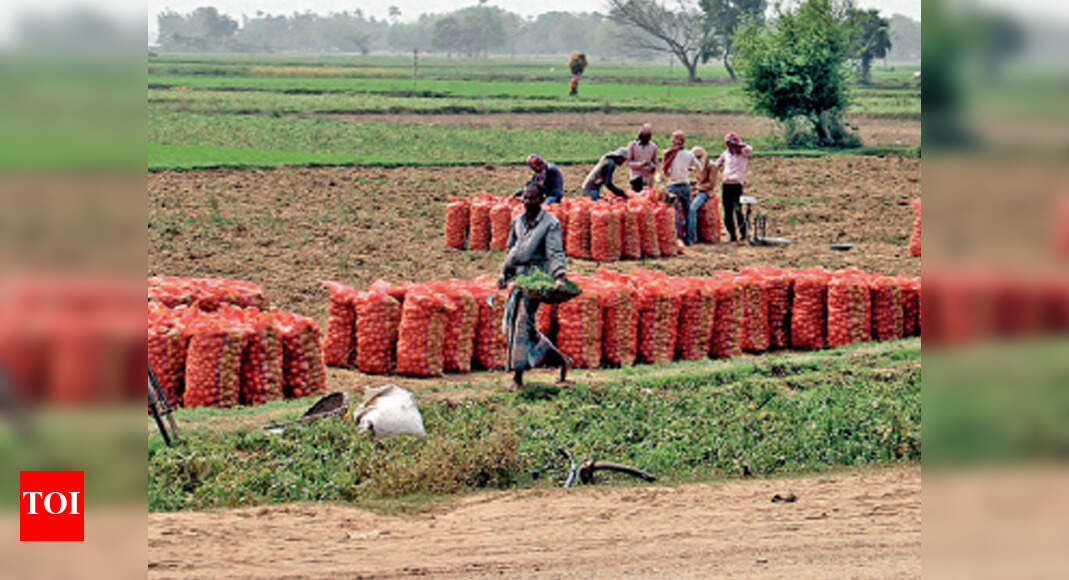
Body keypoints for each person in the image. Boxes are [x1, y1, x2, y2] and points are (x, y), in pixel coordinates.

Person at [497, 182, 571, 390]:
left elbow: (555, 252)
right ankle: (560, 359)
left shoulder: (550, 223)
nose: (528, 202)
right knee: (513, 323)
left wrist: (559, 277)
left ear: (541, 199)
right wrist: (504, 273)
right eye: (525, 198)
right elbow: (511, 249)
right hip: (520, 279)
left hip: (537, 281)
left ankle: (517, 379)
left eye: (532, 198)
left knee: (521, 322)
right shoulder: (518, 221)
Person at [662, 130, 701, 244]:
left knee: (676, 213)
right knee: (689, 212)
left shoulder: (669, 154)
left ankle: (678, 239)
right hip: (685, 185)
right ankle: (689, 239)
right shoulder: (689, 154)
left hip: (673, 186)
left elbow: (667, 172)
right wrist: (690, 172)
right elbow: (699, 167)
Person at [715, 132, 754, 243]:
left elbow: (749, 148)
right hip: (726, 184)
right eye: (728, 143)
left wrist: (739, 145)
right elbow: (717, 163)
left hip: (737, 184)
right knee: (727, 212)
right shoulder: (726, 154)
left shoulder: (743, 153)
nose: (730, 146)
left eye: (732, 143)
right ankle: (732, 235)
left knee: (738, 210)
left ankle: (743, 234)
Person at [687, 146, 719, 245]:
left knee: (692, 209)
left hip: (705, 193)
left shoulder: (712, 166)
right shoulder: (698, 166)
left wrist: (698, 188)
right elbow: (698, 180)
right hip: (698, 189)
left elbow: (711, 184)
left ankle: (692, 236)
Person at [626, 124, 658, 193]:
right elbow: (628, 162)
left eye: (648, 136)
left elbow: (656, 163)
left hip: (647, 179)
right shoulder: (633, 145)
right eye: (645, 136)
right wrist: (640, 164)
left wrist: (651, 165)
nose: (647, 138)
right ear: (641, 134)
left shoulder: (653, 146)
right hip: (636, 178)